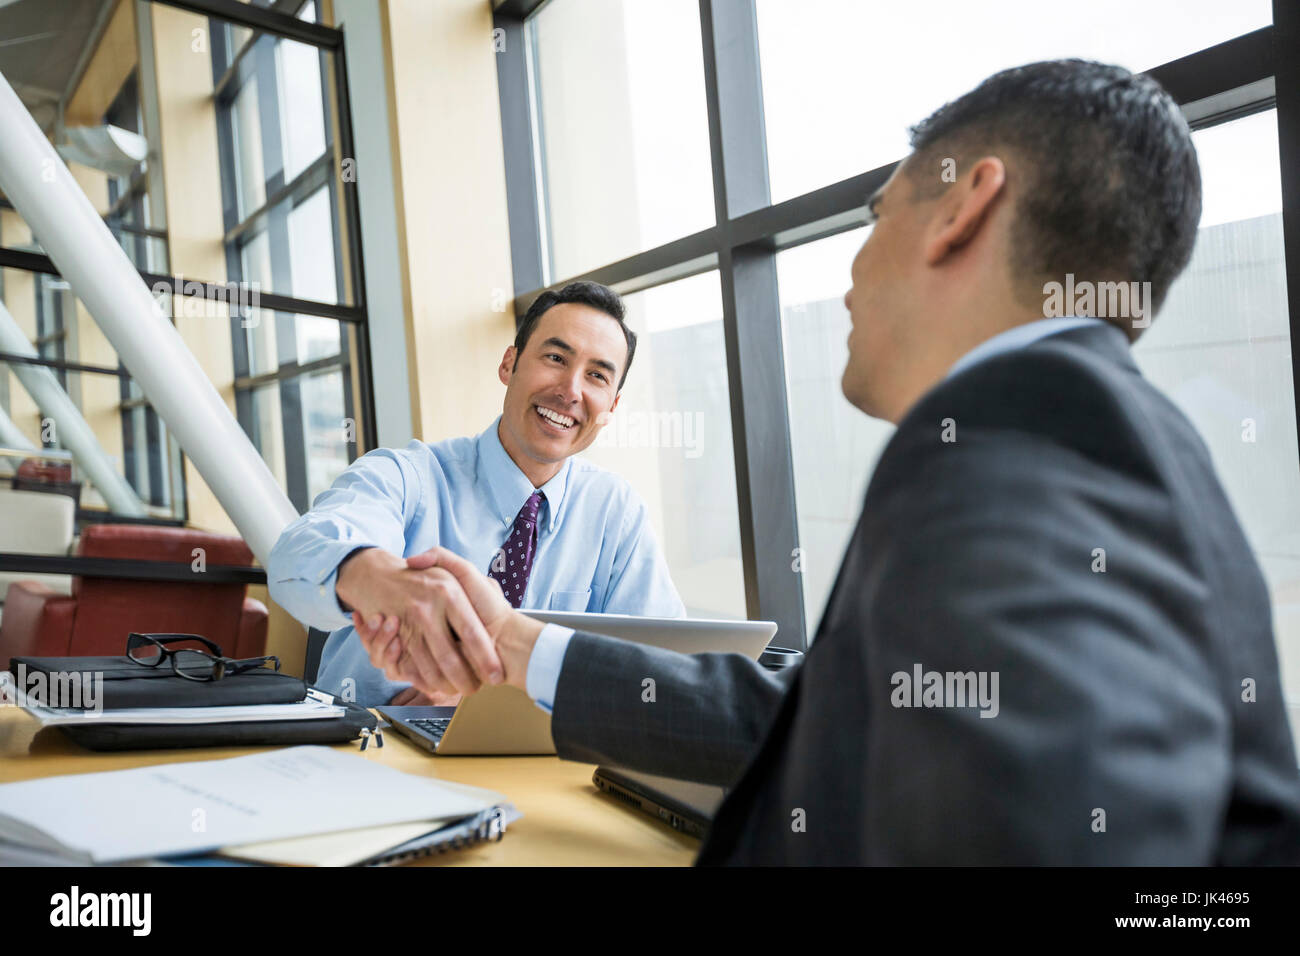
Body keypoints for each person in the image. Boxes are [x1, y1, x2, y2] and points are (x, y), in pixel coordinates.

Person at [356, 58, 1300, 864]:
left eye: (876, 211)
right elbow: (824, 722)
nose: (849, 271)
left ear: (962, 208)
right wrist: (519, 650)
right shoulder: (1100, 436)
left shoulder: (1013, 455)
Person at [267, 281, 685, 706]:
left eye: (597, 375)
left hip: (538, 762)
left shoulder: (617, 513)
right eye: (556, 358)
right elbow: (293, 556)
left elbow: (661, 667)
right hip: (377, 751)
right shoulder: (408, 475)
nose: (571, 390)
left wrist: (485, 701)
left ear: (611, 407)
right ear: (510, 364)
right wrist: (384, 583)